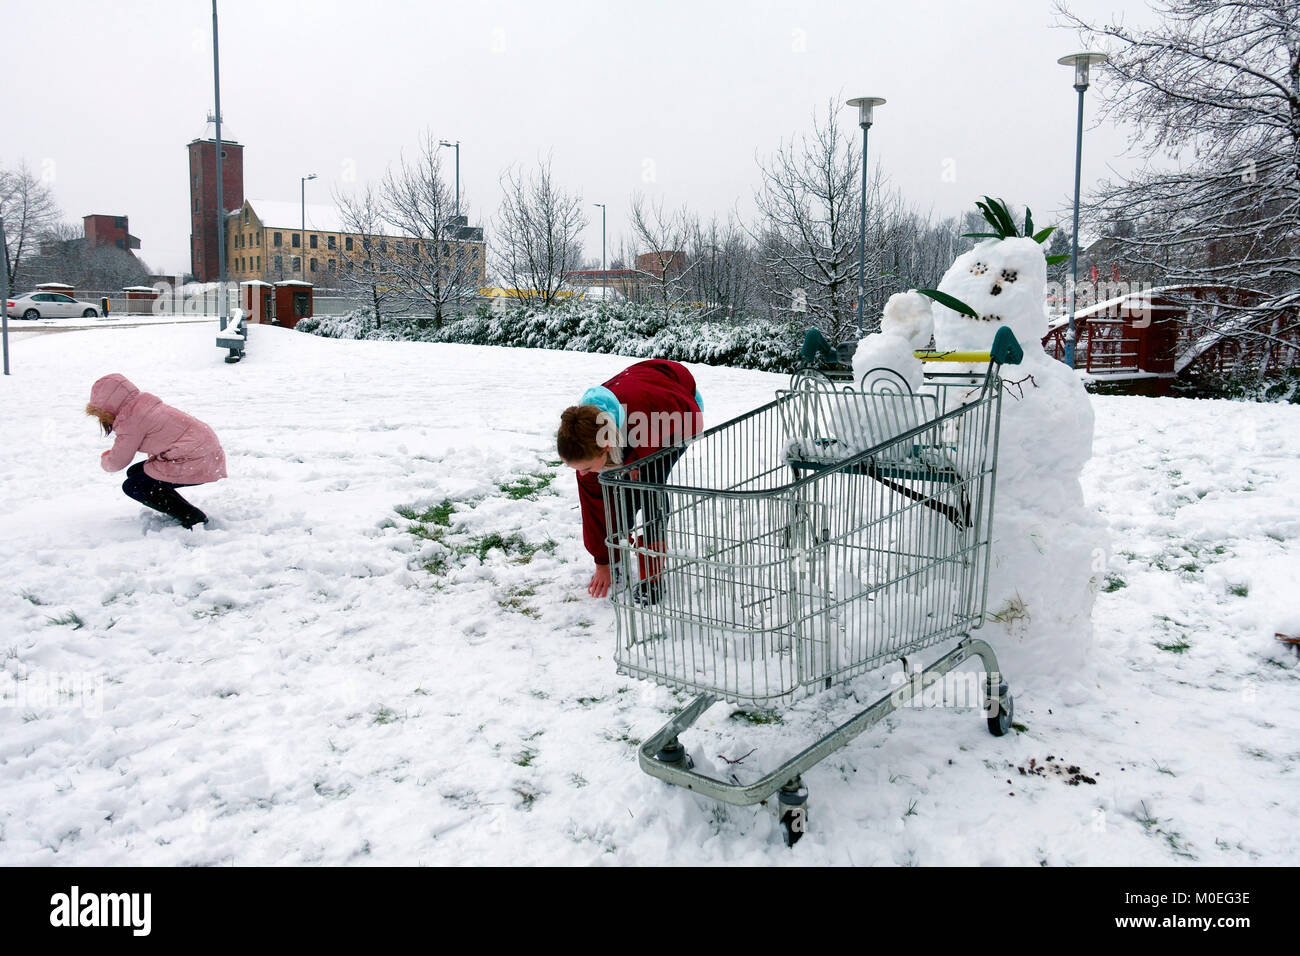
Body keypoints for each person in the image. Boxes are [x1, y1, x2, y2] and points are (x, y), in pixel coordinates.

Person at [557, 359, 702, 603]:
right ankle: (616, 553)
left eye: (586, 468)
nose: (582, 474)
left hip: (676, 409)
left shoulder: (649, 417)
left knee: (647, 489)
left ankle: (653, 576)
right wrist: (602, 561)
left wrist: (639, 462)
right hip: (632, 422)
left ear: (605, 447)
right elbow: (594, 508)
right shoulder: (586, 445)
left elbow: (692, 419)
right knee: (614, 494)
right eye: (577, 469)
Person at [85, 373, 227, 529]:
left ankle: (193, 517)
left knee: (134, 486)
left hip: (195, 458)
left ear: (108, 407)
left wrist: (105, 458)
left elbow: (116, 462)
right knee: (136, 473)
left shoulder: (131, 421)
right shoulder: (142, 406)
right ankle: (179, 507)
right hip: (205, 452)